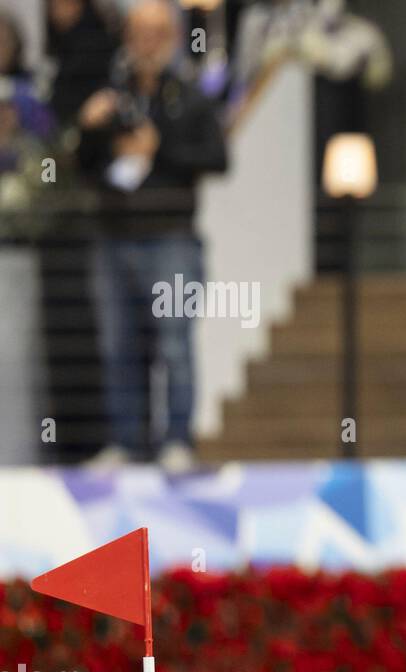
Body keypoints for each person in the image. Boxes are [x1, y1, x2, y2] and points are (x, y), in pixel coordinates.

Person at [77, 0, 227, 470]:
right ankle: (126, 444)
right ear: (127, 38)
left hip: (171, 239)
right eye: (138, 32)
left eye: (156, 32)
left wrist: (159, 150)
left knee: (174, 344)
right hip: (114, 236)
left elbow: (218, 159)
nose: (146, 41)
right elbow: (84, 167)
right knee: (118, 346)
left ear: (173, 38)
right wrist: (87, 130)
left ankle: (176, 442)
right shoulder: (109, 96)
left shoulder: (190, 96)